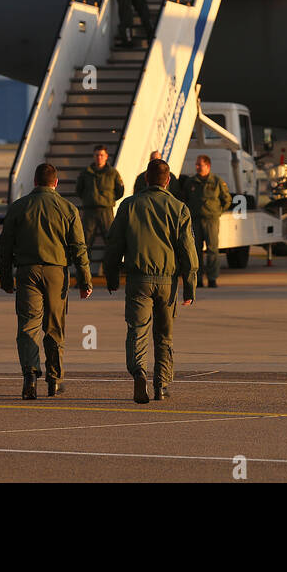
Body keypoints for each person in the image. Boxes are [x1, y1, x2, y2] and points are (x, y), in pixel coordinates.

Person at [104, 159, 197, 404]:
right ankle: (162, 385)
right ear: (167, 181)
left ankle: (139, 372)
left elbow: (114, 245)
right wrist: (189, 286)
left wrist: (112, 277)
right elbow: (188, 252)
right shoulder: (179, 208)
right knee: (164, 335)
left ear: (146, 179)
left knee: (137, 330)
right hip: (167, 282)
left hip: (139, 279)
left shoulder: (129, 205)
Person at [0, 162, 91, 399]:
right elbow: (79, 247)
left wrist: (6, 279)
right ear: (56, 183)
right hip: (56, 272)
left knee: (28, 326)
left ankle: (30, 375)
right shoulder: (68, 208)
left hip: (27, 272)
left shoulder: (19, 207)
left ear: (35, 182)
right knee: (54, 327)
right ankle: (55, 379)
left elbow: (5, 247)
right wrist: (85, 280)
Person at [178, 154, 231, 289]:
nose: (196, 167)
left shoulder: (217, 182)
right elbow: (184, 199)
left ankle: (212, 278)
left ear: (207, 166)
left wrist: (217, 212)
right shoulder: (190, 182)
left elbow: (227, 200)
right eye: (196, 164)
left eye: (199, 164)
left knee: (212, 250)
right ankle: (198, 279)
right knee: (195, 251)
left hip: (211, 220)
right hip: (195, 220)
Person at [75, 144, 124, 253]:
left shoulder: (113, 173)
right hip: (89, 211)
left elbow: (120, 191)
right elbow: (79, 190)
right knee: (86, 242)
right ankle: (84, 268)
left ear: (106, 156)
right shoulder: (85, 173)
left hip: (106, 211)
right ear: (93, 156)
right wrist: (89, 199)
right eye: (97, 155)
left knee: (111, 240)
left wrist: (109, 199)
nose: (99, 157)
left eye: (102, 155)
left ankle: (110, 268)